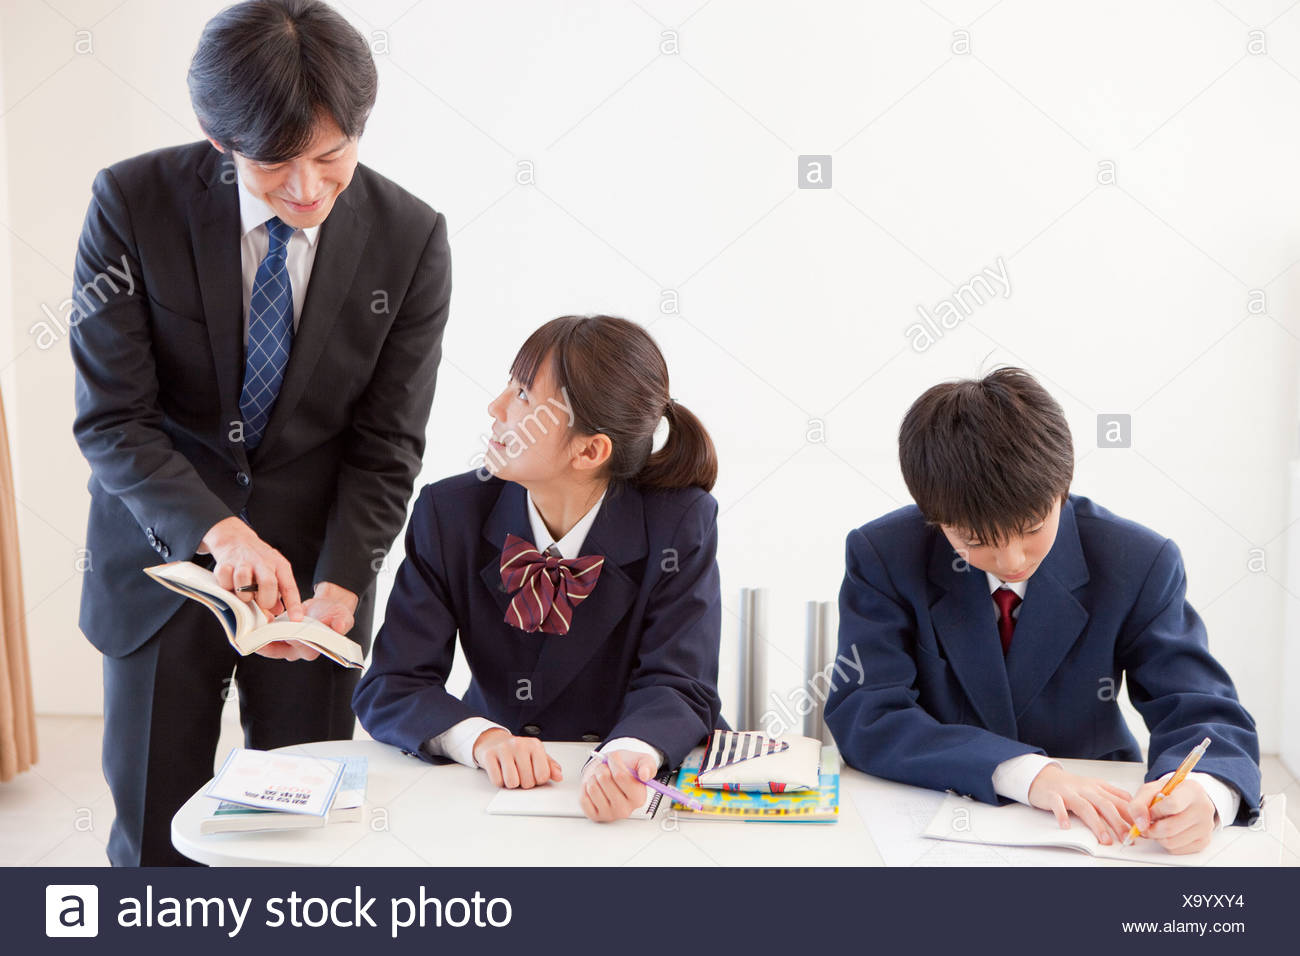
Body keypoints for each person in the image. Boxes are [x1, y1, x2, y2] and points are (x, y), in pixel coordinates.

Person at [70, 0, 451, 865]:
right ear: (218, 136)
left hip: (316, 590)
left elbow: (388, 442)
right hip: (159, 571)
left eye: (332, 157)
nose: (308, 190)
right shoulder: (132, 203)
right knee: (155, 845)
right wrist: (222, 531)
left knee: (299, 844)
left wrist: (343, 587)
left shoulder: (412, 239)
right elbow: (113, 419)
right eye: (277, 163)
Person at [824, 367, 1260, 855]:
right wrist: (1029, 774)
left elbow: (1201, 706)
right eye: (975, 540)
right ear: (933, 516)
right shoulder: (885, 554)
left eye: (1032, 527)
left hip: (1101, 828)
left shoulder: (1137, 561)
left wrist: (1204, 791)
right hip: (925, 815)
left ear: (1062, 488)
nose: (1011, 560)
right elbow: (867, 712)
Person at [354, 315, 722, 822]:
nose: (496, 407)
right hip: (492, 791)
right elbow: (392, 684)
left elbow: (681, 684)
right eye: (509, 385)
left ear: (590, 450)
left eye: (524, 396)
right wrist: (481, 739)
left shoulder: (679, 522)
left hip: (631, 798)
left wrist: (627, 754)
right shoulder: (449, 513)